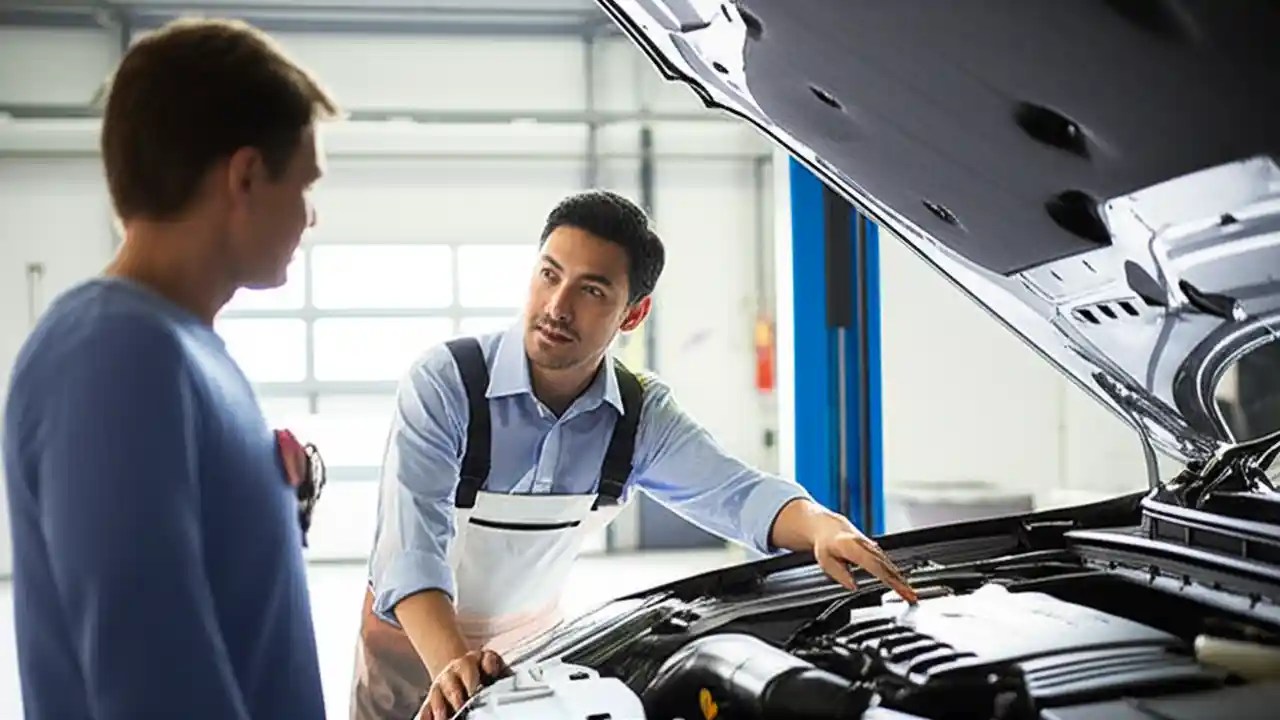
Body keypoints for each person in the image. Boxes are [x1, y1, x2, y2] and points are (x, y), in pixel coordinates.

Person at [350, 190, 919, 720]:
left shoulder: (638, 414)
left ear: (633, 314)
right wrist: (452, 665)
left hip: (524, 654)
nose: (557, 306)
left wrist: (818, 525)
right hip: (410, 643)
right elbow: (410, 548)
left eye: (591, 290)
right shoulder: (447, 383)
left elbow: (735, 493)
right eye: (549, 274)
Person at [2, 18, 338, 720]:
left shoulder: (178, 348)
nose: (311, 217)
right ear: (245, 176)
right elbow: (150, 680)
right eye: (306, 184)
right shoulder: (113, 356)